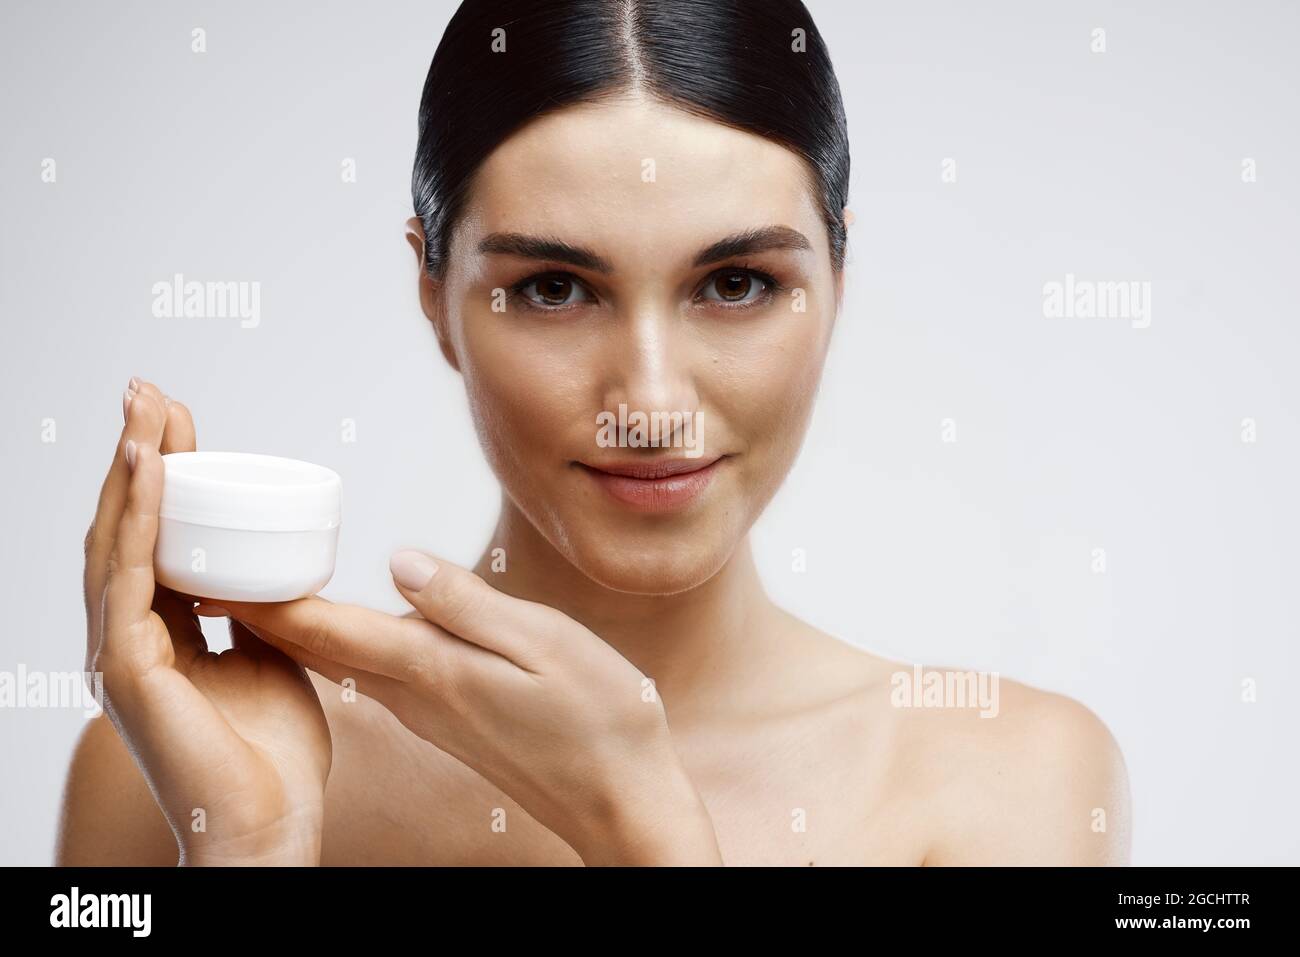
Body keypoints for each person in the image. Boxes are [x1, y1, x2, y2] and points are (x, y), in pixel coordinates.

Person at [57, 0, 1130, 866]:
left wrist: (645, 831)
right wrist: (254, 846)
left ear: (837, 280)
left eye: (738, 281)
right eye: (557, 288)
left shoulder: (1017, 780)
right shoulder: (176, 767)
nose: (651, 402)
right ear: (432, 292)